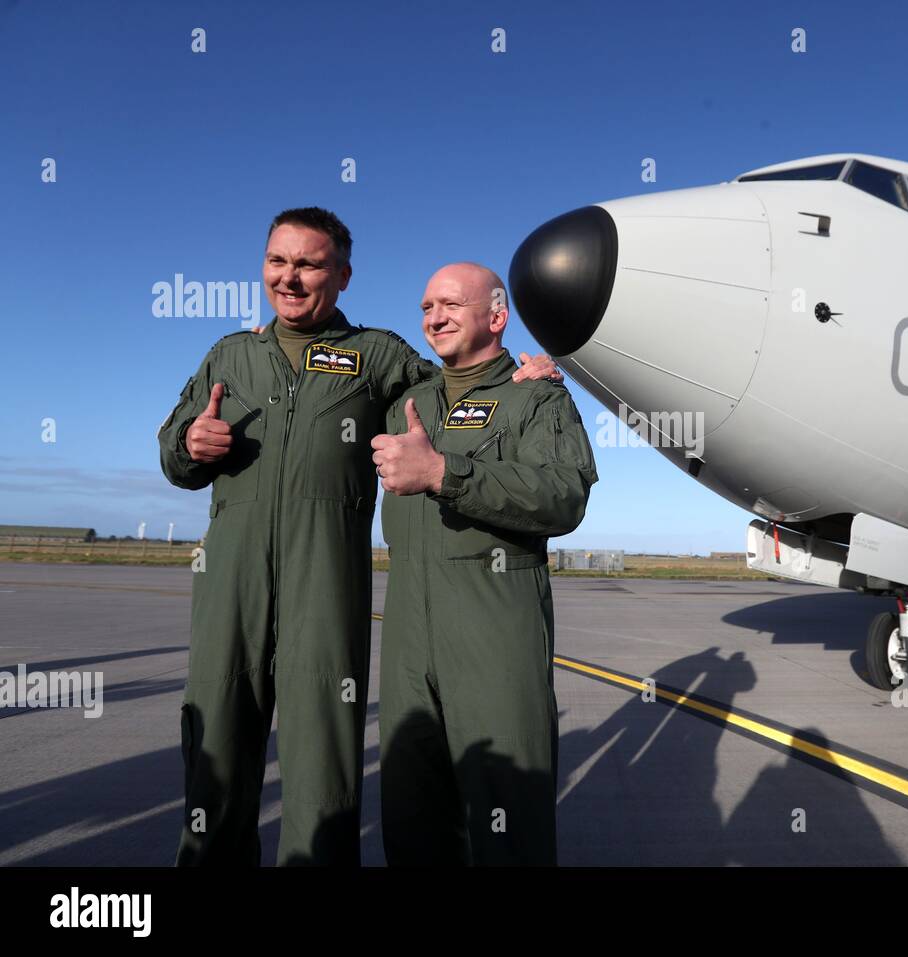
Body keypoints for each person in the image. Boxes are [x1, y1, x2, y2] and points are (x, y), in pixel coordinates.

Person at [158, 209, 558, 865]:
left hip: (327, 580)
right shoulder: (231, 354)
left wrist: (510, 382)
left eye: (309, 264)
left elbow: (447, 396)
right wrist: (188, 445)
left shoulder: (374, 355)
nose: (289, 277)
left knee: (322, 761)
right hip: (230, 581)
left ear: (341, 275)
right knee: (216, 744)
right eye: (277, 262)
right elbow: (173, 449)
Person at [373, 262, 597, 865]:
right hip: (407, 642)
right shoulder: (409, 400)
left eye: (450, 304)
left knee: (508, 821)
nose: (433, 317)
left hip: (495, 636)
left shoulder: (535, 395)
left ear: (496, 316)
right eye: (425, 307)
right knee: (411, 813)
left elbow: (564, 495)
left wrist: (446, 474)